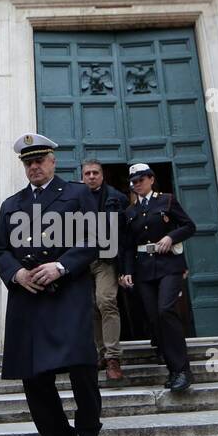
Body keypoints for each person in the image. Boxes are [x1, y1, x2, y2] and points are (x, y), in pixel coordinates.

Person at [0, 134, 105, 436]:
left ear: (53, 161)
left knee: (82, 370)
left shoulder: (77, 194)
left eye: (40, 160)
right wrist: (16, 274)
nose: (34, 167)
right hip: (29, 299)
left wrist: (61, 265)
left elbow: (96, 239)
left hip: (68, 293)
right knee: (33, 377)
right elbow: (0, 251)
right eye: (28, 162)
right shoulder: (11, 205)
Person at [119, 163, 197, 392]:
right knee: (154, 317)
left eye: (141, 180)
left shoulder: (167, 201)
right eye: (133, 182)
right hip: (143, 270)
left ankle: (183, 370)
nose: (137, 184)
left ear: (151, 179)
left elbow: (189, 226)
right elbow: (127, 246)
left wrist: (171, 237)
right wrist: (127, 272)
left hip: (169, 265)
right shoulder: (130, 212)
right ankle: (174, 371)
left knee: (166, 310)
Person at [80, 158, 127, 381]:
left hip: (105, 260)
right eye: (87, 173)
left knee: (106, 301)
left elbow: (127, 234)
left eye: (95, 173)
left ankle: (112, 358)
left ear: (102, 175)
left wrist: (126, 267)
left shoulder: (117, 198)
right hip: (79, 261)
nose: (91, 176)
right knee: (90, 307)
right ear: (82, 176)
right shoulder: (72, 198)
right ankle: (99, 353)